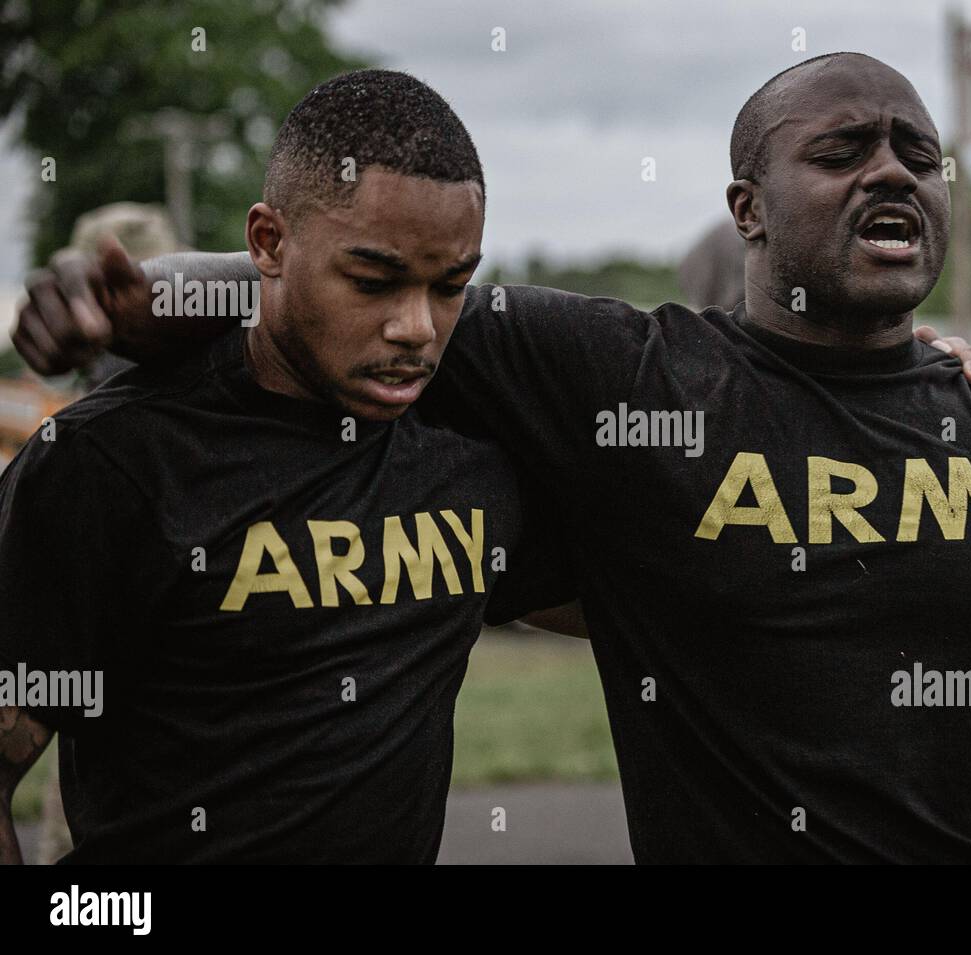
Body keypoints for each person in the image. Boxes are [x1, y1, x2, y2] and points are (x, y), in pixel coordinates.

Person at [18, 55, 971, 864]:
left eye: (916, 153)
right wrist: (128, 307)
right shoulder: (620, 377)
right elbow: (322, 282)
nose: (892, 168)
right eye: (841, 151)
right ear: (746, 208)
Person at [0, 71, 573, 863]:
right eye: (371, 281)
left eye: (450, 287)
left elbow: (644, 605)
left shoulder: (469, 455)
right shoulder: (110, 462)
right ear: (267, 243)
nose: (416, 328)